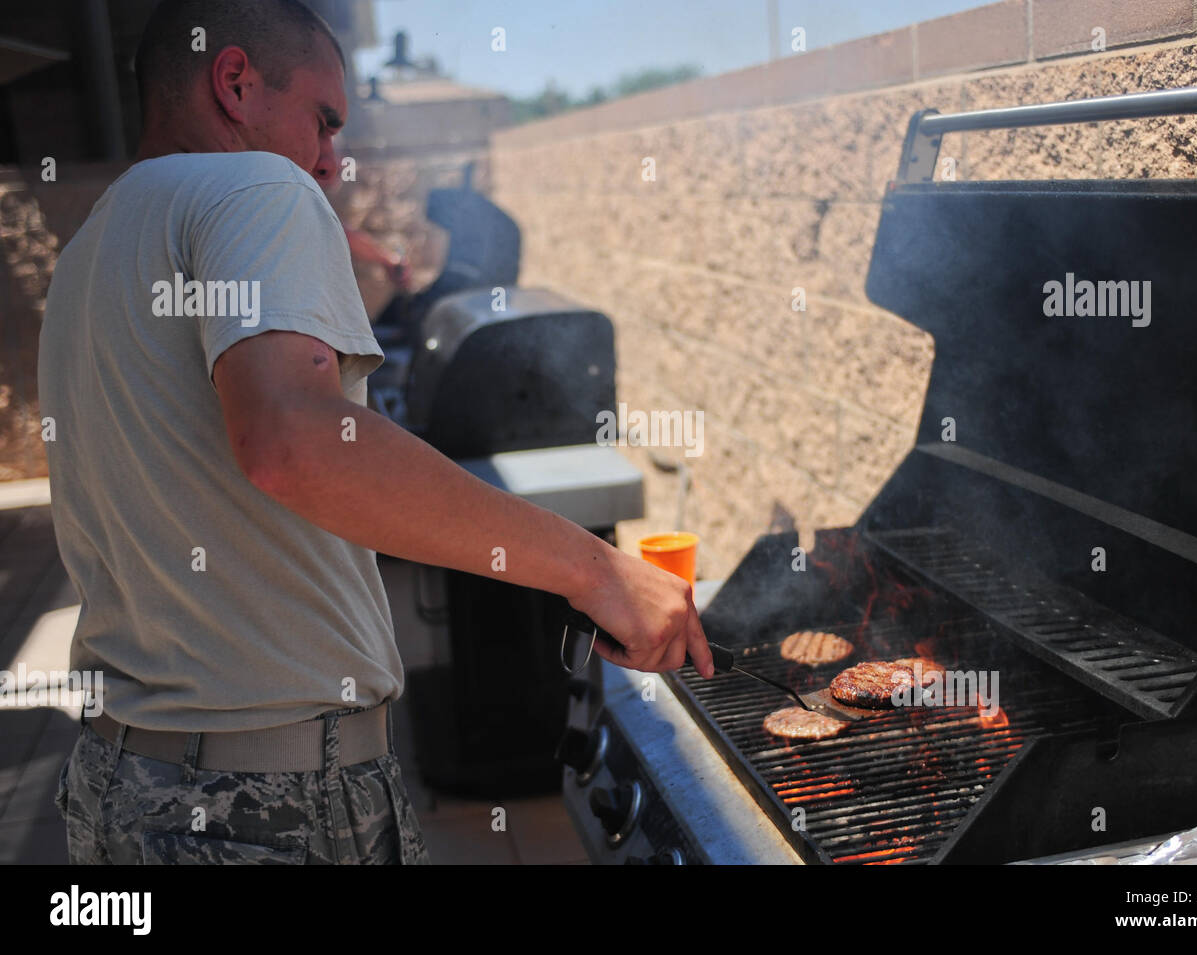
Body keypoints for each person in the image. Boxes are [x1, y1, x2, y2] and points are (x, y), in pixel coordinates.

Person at [37, 0, 712, 866]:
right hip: (262, 806)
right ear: (235, 82)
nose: (329, 159)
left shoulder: (90, 247)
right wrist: (595, 568)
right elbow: (295, 441)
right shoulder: (256, 186)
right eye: (323, 120)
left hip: (119, 785)